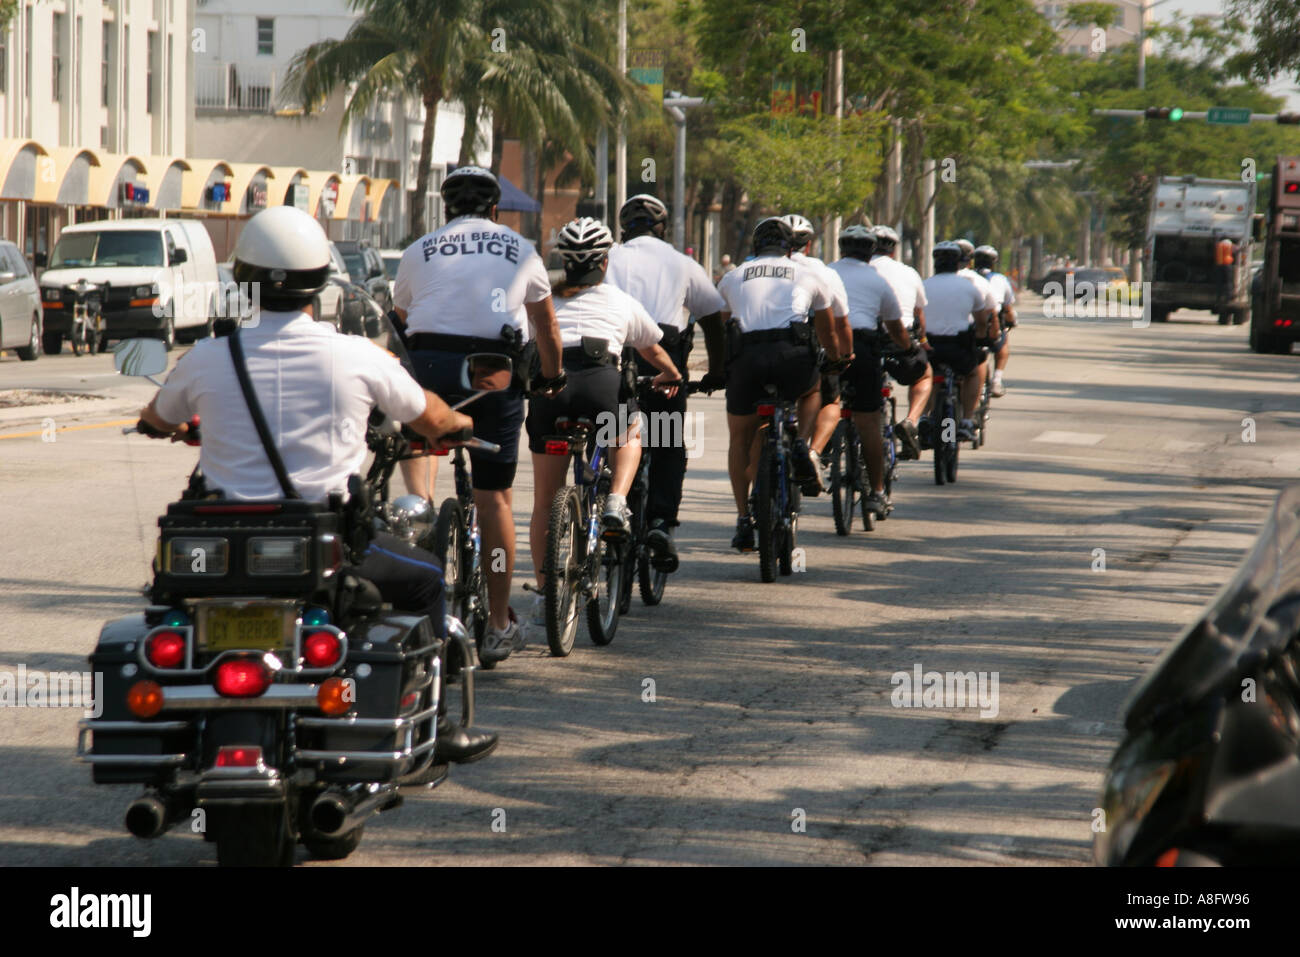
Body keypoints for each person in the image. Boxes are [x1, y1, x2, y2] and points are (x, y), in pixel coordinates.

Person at [135, 205, 497, 764]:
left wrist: (174, 426)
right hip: (324, 549)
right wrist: (462, 424)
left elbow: (156, 417)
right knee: (426, 580)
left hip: (219, 555)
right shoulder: (353, 353)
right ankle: (440, 725)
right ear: (321, 282)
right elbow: (433, 418)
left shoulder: (208, 356)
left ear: (243, 280)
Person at [391, 165, 566, 666]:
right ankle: (495, 624)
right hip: (493, 374)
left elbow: (402, 324)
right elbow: (546, 327)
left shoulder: (418, 250)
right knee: (495, 500)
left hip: (429, 371)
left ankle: (421, 508)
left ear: (445, 210)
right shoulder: (521, 249)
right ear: (495, 209)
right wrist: (552, 379)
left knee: (418, 443)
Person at [525, 218, 680, 608]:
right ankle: (615, 501)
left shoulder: (545, 300)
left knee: (545, 500)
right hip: (600, 387)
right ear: (605, 263)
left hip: (551, 390)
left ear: (564, 259)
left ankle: (546, 595)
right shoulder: (620, 301)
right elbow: (652, 349)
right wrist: (671, 374)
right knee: (629, 431)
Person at [604, 193, 726, 572]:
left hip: (615, 352)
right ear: (662, 229)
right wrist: (718, 370)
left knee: (613, 431)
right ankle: (659, 521)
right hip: (664, 360)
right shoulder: (682, 262)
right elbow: (712, 316)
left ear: (625, 229)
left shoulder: (609, 255)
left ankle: (609, 498)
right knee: (668, 440)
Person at [711, 216, 843, 550]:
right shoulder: (810, 274)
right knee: (812, 391)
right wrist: (835, 358)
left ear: (755, 247)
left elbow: (723, 327)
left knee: (740, 438)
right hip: (792, 359)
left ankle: (743, 520)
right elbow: (827, 330)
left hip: (747, 362)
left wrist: (722, 367)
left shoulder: (732, 277)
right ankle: (800, 442)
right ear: (790, 248)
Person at [829, 225, 911, 517]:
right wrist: (910, 348)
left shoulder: (827, 272)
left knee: (822, 402)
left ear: (842, 248)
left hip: (829, 346)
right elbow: (896, 326)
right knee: (869, 423)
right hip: (863, 349)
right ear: (870, 251)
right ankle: (877, 492)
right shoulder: (878, 280)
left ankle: (820, 448)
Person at [780, 213, 852, 493]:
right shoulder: (823, 272)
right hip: (811, 348)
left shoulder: (760, 266)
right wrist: (843, 356)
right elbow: (839, 321)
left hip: (763, 350)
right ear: (808, 245)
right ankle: (813, 450)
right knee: (830, 400)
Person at [921, 242, 994, 440]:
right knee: (972, 373)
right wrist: (979, 340)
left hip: (930, 347)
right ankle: (967, 421)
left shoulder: (924, 284)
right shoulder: (970, 287)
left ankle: (924, 417)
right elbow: (980, 322)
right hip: (959, 347)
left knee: (928, 376)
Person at [869, 225, 931, 458]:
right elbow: (919, 314)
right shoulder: (909, 272)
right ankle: (911, 420)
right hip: (899, 340)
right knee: (924, 374)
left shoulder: (859, 270)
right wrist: (923, 341)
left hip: (862, 341)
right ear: (893, 251)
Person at [973, 244, 1016, 397]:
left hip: (969, 321)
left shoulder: (966, 276)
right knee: (1002, 344)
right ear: (993, 262)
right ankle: (997, 380)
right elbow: (1008, 307)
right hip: (992, 323)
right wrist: (1011, 322)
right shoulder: (1000, 279)